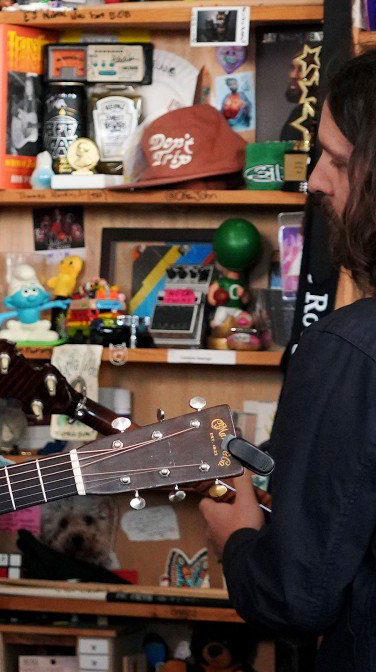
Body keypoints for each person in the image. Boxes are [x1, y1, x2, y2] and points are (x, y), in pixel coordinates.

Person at [200, 50, 376, 670]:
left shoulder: (351, 348)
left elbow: (295, 598)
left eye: (337, 160)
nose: (316, 181)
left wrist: (237, 538)